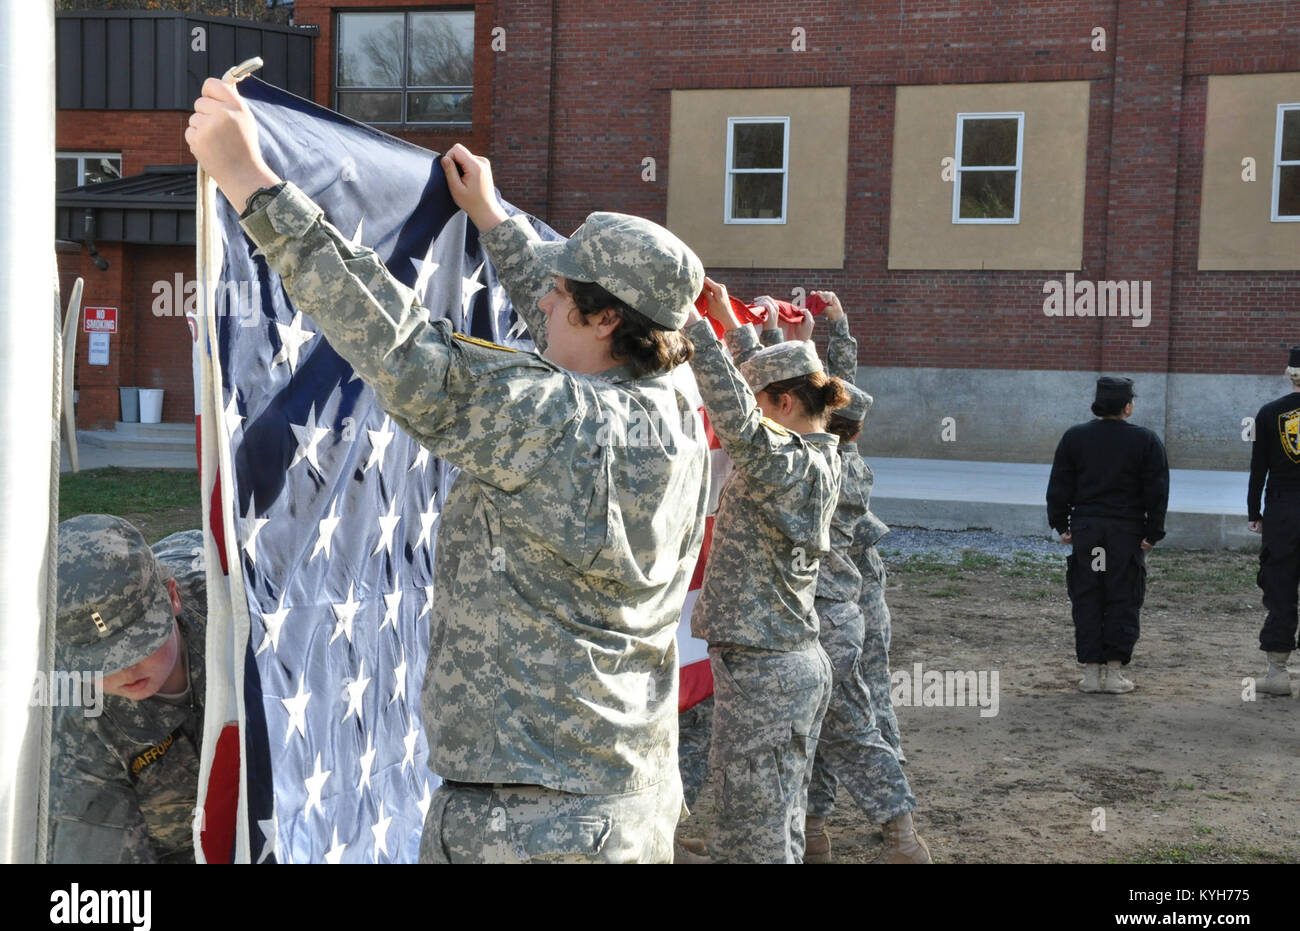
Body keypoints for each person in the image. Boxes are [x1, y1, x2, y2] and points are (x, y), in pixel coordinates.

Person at [187, 78, 710, 863]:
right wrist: (495, 221)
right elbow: (566, 304)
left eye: (563, 294)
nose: (545, 302)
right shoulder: (673, 397)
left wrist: (255, 188)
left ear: (607, 320)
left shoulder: (561, 420)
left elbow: (406, 353)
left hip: (535, 828)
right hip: (619, 802)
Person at [682, 277, 842, 864]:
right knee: (757, 817)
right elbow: (764, 393)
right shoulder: (814, 452)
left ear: (784, 405)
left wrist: (699, 326)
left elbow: (741, 421)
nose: (751, 412)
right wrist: (733, 320)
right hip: (771, 665)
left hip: (769, 673)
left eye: (762, 401)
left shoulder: (789, 465)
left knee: (760, 833)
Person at [793, 291, 929, 864]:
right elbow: (836, 389)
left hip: (836, 611)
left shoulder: (818, 464)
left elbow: (827, 393)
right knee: (837, 724)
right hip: (843, 603)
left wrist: (800, 339)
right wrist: (834, 328)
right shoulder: (839, 451)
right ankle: (819, 829)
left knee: (851, 720)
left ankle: (896, 830)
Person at [51, 516, 207, 863]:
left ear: (172, 597)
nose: (122, 670)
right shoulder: (81, 717)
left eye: (137, 643)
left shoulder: (237, 611)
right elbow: (96, 853)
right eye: (98, 661)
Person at [1046, 377, 1169, 693]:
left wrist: (1061, 524)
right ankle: (1114, 673)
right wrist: (1153, 533)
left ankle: (1090, 673)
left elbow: (1059, 484)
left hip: (1087, 531)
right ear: (1128, 406)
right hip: (1126, 533)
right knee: (1123, 598)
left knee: (1087, 597)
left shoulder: (1075, 438)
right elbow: (1157, 492)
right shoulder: (1146, 441)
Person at [1246, 345, 1300, 697]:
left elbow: (1258, 469)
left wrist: (1254, 512)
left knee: (1280, 586)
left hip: (1283, 509)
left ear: (1288, 373)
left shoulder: (1268, 413)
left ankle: (1277, 673)